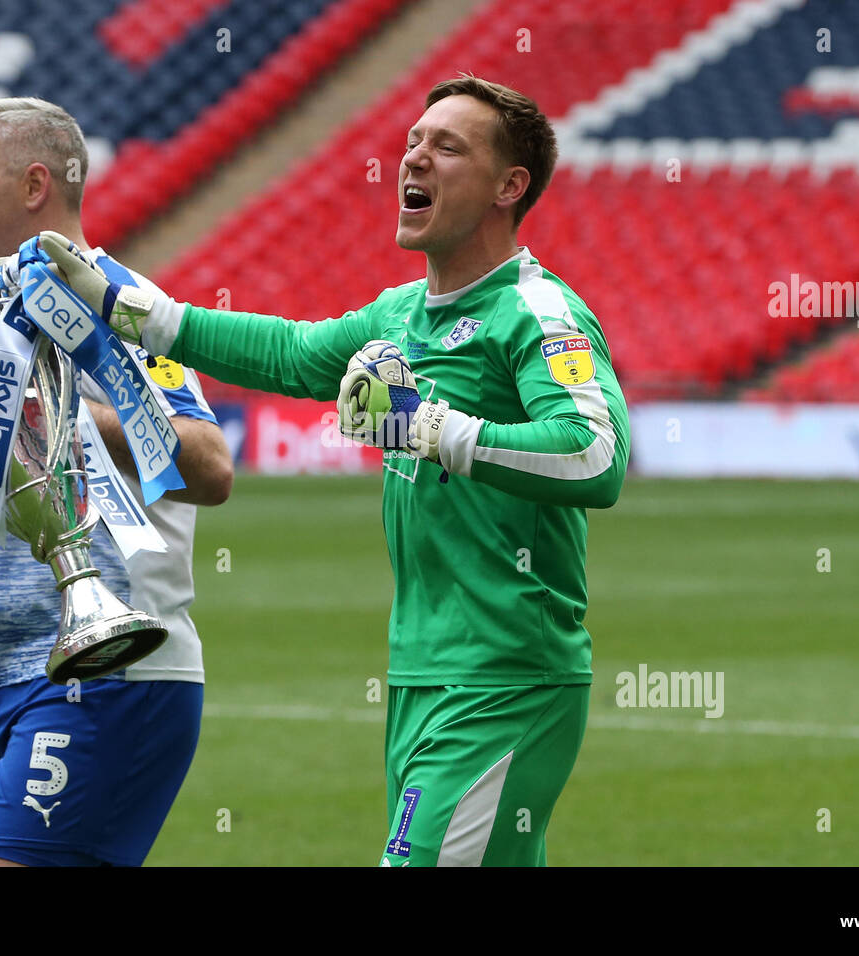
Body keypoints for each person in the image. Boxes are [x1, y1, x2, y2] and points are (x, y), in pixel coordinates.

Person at [44, 76, 630, 866]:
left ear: (509, 186)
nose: (414, 157)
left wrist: (430, 428)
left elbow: (596, 455)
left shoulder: (535, 312)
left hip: (506, 677)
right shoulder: (399, 315)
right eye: (414, 141)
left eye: (446, 147)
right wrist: (135, 310)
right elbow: (288, 352)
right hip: (423, 670)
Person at [0, 98, 234, 867]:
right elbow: (9, 525)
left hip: (116, 671)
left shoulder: (119, 304)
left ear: (35, 184)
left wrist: (68, 421)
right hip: (22, 672)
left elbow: (209, 466)